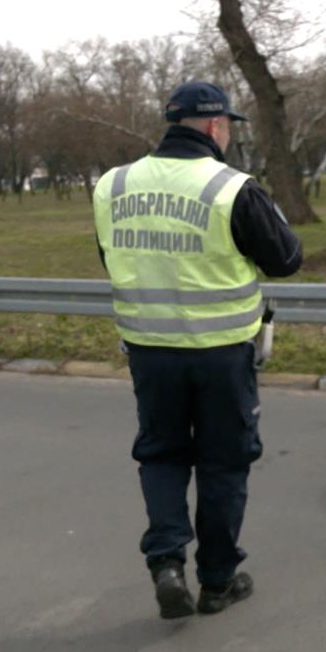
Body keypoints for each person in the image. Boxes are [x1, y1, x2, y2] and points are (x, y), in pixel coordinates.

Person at [92, 81, 302, 619]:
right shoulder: (232, 188)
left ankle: (165, 562)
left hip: (149, 352)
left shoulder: (112, 186)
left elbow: (110, 257)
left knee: (161, 455)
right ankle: (217, 581)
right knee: (223, 465)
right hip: (222, 355)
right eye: (227, 124)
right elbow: (285, 259)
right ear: (214, 126)